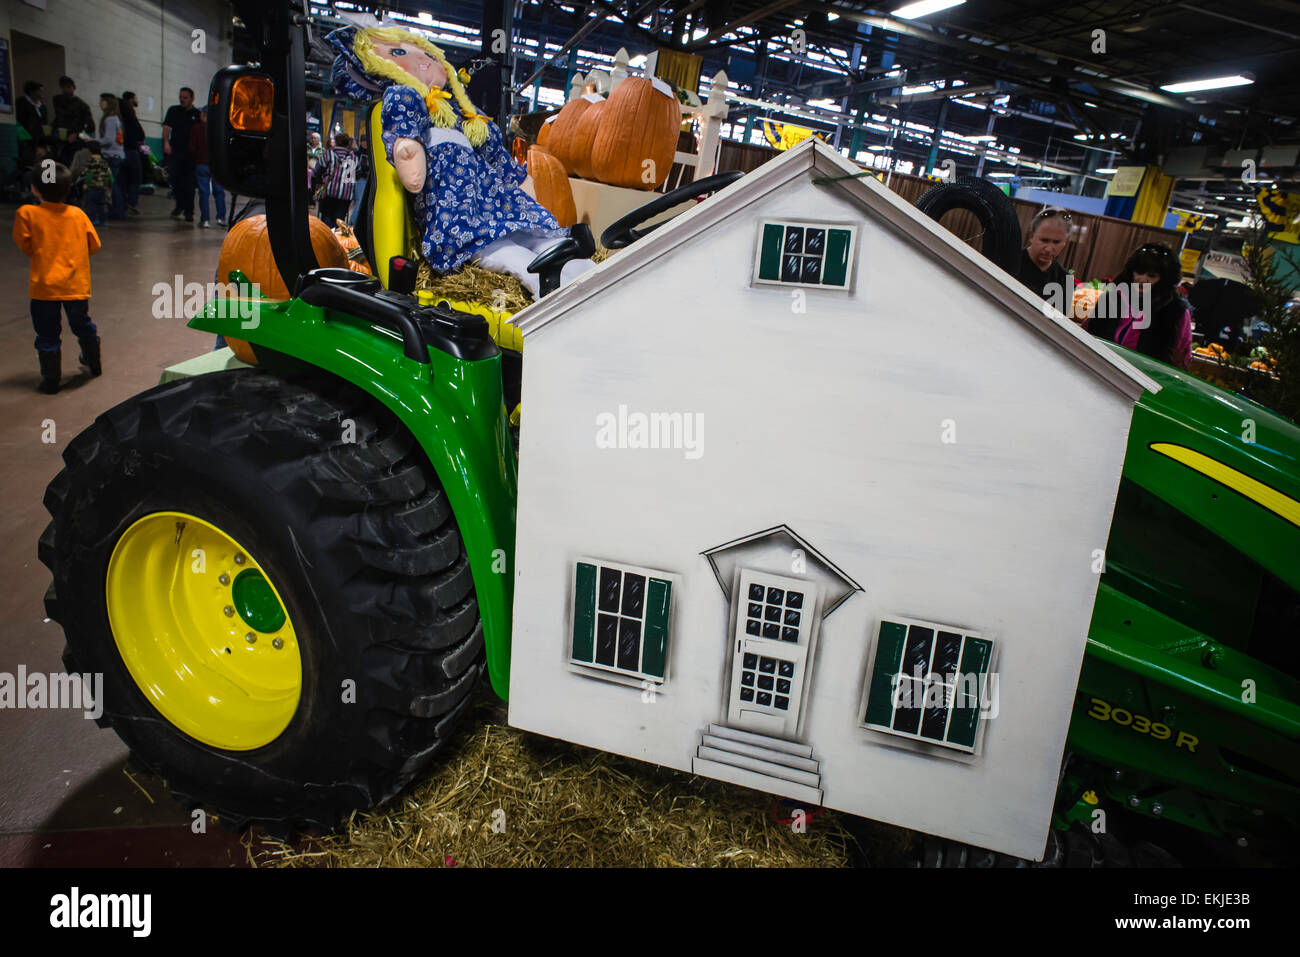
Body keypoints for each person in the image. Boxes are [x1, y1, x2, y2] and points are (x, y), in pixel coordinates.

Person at [12, 162, 102, 394]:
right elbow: (94, 245)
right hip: (75, 284)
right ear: (68, 188)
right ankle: (94, 363)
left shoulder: (27, 214)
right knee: (82, 323)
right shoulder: (78, 214)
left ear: (34, 189)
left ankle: (51, 380)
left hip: (44, 287)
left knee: (47, 332)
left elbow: (25, 244)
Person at [1086, 242, 1192, 369]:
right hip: (1102, 369)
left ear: (1164, 279)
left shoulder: (1175, 310)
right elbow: (1088, 332)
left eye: (1151, 276)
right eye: (1139, 272)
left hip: (1147, 379)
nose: (1142, 279)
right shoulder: (1113, 298)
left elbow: (1182, 356)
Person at [162, 87, 201, 221]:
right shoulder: (173, 110)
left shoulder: (197, 114)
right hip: (176, 152)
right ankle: (179, 206)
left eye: (185, 97)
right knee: (176, 181)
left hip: (190, 155)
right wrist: (166, 143)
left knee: (189, 184)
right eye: (181, 97)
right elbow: (167, 127)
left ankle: (189, 211)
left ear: (192, 99)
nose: (182, 100)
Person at [1016, 207, 1071, 302]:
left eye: (1056, 242)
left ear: (1064, 243)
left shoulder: (1065, 280)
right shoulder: (1011, 261)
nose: (1049, 249)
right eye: (1044, 240)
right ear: (1032, 237)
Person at [189, 106, 227, 228]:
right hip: (216, 165)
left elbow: (192, 148)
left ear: (203, 114)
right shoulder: (219, 129)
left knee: (204, 193)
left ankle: (205, 220)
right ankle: (221, 218)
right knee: (219, 192)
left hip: (201, 164)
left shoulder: (196, 128)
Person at [314, 131, 357, 228]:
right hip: (345, 195)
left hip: (329, 192)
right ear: (347, 143)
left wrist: (319, 181)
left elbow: (317, 169)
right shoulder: (353, 157)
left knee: (327, 218)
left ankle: (327, 239)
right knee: (339, 221)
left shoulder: (329, 154)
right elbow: (355, 175)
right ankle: (336, 240)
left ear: (336, 142)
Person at [52, 76, 94, 165]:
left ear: (73, 88)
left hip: (75, 144)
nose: (65, 90)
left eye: (68, 87)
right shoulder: (58, 101)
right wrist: (54, 133)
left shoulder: (82, 106)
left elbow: (91, 128)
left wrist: (77, 135)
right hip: (59, 141)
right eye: (63, 87)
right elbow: (58, 120)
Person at [96, 94, 126, 220]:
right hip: (117, 155)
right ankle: (118, 210)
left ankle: (117, 211)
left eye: (102, 101)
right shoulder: (116, 119)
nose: (100, 103)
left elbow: (108, 139)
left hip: (111, 155)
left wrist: (93, 141)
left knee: (112, 185)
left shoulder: (109, 119)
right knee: (114, 184)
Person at [118, 91, 146, 216]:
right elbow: (140, 134)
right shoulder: (131, 119)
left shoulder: (118, 119)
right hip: (131, 151)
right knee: (135, 179)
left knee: (122, 180)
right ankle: (131, 204)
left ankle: (121, 205)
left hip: (120, 152)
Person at [16, 81, 48, 168]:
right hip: (25, 141)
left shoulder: (42, 107)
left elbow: (44, 125)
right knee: (26, 165)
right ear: (32, 92)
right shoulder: (21, 103)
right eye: (40, 91)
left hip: (39, 141)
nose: (42, 93)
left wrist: (42, 145)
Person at [81, 142, 113, 226]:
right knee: (101, 204)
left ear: (89, 150)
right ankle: (103, 220)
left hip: (92, 187)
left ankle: (92, 220)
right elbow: (109, 174)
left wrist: (86, 184)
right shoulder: (104, 161)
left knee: (90, 204)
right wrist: (110, 184)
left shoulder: (90, 161)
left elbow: (88, 174)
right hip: (102, 187)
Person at [348, 133, 370, 226]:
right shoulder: (356, 153)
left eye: (366, 141)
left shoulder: (370, 153)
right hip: (359, 180)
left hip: (366, 180)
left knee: (361, 202)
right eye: (364, 141)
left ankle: (355, 222)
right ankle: (352, 223)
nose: (365, 143)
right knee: (359, 201)